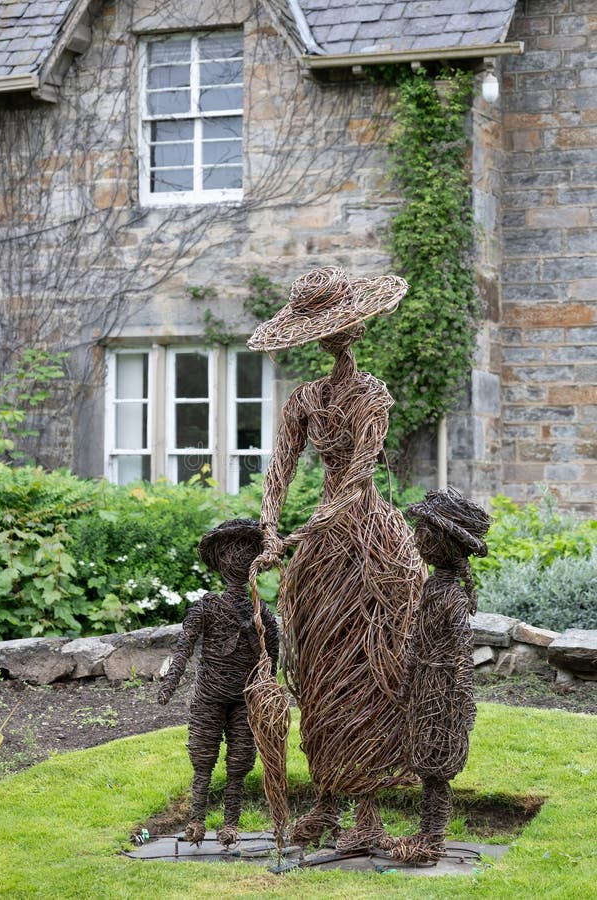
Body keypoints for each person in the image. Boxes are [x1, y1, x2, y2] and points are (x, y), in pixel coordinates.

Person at [247, 266, 424, 849]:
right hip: (320, 555)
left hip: (366, 543)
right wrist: (269, 527)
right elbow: (279, 469)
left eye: (339, 326)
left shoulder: (372, 395)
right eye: (320, 329)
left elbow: (357, 477)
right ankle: (325, 802)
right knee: (320, 668)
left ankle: (368, 813)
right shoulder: (303, 399)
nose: (330, 337)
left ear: (358, 327)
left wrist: (305, 530)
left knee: (370, 667)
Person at [380, 487, 491, 863]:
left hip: (442, 690)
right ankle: (427, 833)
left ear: (445, 542)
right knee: (424, 760)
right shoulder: (431, 588)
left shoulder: (454, 599)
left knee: (438, 765)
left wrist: (463, 696)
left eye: (426, 532)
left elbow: (463, 651)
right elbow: (415, 641)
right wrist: (409, 681)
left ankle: (433, 838)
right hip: (426, 683)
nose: (417, 538)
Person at [157, 518, 279, 847]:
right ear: (221, 559)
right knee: (203, 757)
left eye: (248, 550)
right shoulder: (206, 608)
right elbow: (183, 648)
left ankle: (230, 824)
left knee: (239, 761)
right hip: (209, 696)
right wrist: (170, 683)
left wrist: (269, 690)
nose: (239, 557)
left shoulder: (261, 612)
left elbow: (273, 656)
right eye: (232, 550)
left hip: (245, 698)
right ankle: (196, 820)